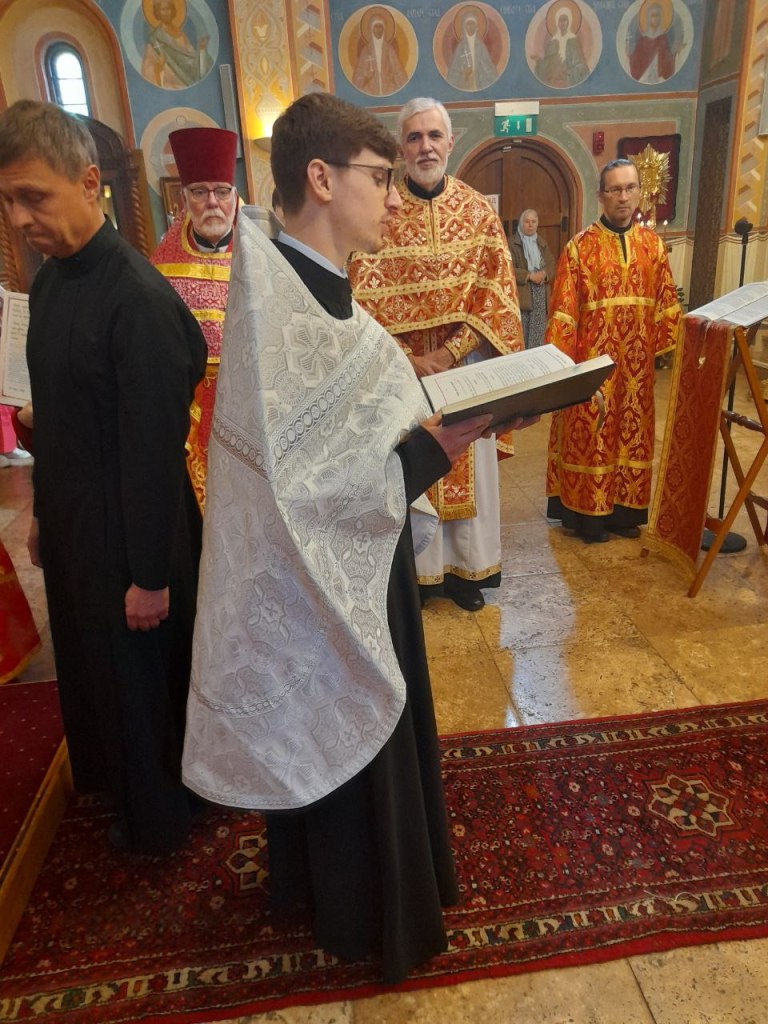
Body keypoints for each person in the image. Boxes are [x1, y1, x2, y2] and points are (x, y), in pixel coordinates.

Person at [182, 91, 503, 983]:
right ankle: (367, 912)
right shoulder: (285, 309)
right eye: (379, 177)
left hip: (362, 556)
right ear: (320, 180)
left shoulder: (319, 296)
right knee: (358, 710)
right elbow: (300, 497)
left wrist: (422, 445)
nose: (395, 198)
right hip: (323, 574)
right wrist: (431, 453)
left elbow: (335, 464)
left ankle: (335, 888)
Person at [0, 100, 207, 853]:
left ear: (90, 183)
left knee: (142, 689)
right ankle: (121, 792)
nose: (20, 218)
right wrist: (42, 516)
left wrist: (149, 576)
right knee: (98, 679)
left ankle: (162, 826)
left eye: (34, 196)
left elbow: (152, 453)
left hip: (135, 540)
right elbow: (59, 409)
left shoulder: (138, 301)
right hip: (81, 530)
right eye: (8, 200)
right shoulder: (52, 281)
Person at [348, 97, 524, 612]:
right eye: (414, 137)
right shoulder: (382, 210)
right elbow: (358, 294)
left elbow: (495, 292)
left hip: (463, 369)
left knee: (468, 456)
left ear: (451, 143)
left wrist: (449, 352)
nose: (425, 146)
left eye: (433, 136)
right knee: (412, 464)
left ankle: (467, 573)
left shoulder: (476, 212)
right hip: (397, 373)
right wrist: (407, 357)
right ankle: (421, 576)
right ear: (401, 148)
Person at [545, 157, 681, 543]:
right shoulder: (579, 249)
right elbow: (564, 313)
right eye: (615, 190)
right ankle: (588, 517)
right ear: (602, 195)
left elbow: (666, 304)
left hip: (636, 370)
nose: (623, 197)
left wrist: (666, 350)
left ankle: (624, 513)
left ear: (640, 192)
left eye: (630, 188)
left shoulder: (653, 247)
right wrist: (562, 367)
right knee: (594, 435)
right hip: (593, 368)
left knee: (631, 433)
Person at [151, 126, 238, 509]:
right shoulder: (158, 271)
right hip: (190, 417)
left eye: (221, 191)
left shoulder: (263, 257)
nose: (212, 203)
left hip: (247, 408)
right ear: (184, 199)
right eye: (200, 192)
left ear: (235, 197)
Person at [510, 209, 556, 349]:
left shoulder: (541, 242)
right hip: (524, 295)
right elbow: (508, 268)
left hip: (541, 294)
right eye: (527, 221)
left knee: (539, 331)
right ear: (521, 223)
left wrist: (544, 274)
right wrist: (529, 276)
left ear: (537, 224)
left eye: (533, 222)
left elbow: (552, 264)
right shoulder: (512, 243)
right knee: (524, 331)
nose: (530, 225)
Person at [141, 0, 213, 89]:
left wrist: (202, 50)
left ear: (173, 11)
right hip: (169, 81)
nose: (166, 12)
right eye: (163, 9)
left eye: (169, 9)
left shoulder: (180, 34)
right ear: (157, 12)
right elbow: (147, 68)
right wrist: (159, 66)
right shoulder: (154, 38)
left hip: (186, 80)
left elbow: (190, 58)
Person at [351, 7, 408, 96]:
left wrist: (403, 86)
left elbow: (397, 70)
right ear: (371, 29)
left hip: (389, 87)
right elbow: (359, 73)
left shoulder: (389, 49)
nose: (378, 30)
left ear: (384, 29)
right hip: (370, 89)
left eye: (380, 27)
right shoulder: (366, 50)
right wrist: (366, 76)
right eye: (376, 27)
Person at [534, 4, 590, 89]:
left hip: (569, 78)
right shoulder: (553, 41)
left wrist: (569, 72)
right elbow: (548, 63)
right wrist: (539, 61)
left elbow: (581, 65)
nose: (562, 23)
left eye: (565, 20)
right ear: (557, 22)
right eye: (560, 20)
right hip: (554, 79)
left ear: (569, 22)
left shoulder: (573, 40)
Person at [628, 1, 682, 84]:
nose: (656, 18)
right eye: (653, 15)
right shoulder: (642, 40)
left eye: (658, 15)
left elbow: (667, 64)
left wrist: (675, 52)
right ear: (648, 17)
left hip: (659, 79)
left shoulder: (663, 38)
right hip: (643, 78)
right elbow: (635, 64)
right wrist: (630, 55)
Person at [446, 8, 498, 91]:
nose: (470, 27)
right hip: (465, 85)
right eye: (468, 24)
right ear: (464, 27)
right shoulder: (460, 47)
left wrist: (481, 71)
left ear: (476, 26)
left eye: (473, 24)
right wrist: (464, 74)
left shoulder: (481, 47)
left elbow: (489, 69)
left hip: (480, 83)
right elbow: (453, 73)